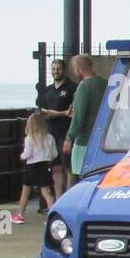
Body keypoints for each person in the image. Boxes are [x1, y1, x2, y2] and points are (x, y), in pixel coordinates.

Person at [35, 58, 76, 197]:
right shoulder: (48, 90)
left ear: (64, 70)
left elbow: (73, 112)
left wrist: (58, 113)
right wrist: (44, 114)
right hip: (51, 132)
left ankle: (69, 197)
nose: (55, 72)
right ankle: (58, 198)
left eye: (58, 69)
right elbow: (41, 109)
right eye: (53, 69)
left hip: (66, 133)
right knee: (55, 166)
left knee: (68, 166)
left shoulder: (72, 88)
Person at [62, 54, 105, 179]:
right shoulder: (105, 83)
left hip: (84, 139)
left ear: (79, 68)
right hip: (102, 138)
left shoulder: (84, 86)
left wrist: (69, 137)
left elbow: (79, 117)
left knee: (80, 175)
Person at [12, 112, 57, 225]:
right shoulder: (50, 137)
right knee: (46, 192)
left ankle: (20, 215)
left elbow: (27, 154)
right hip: (45, 166)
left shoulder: (29, 139)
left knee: (25, 192)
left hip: (31, 166)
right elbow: (54, 154)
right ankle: (52, 217)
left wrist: (21, 156)